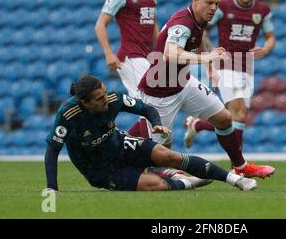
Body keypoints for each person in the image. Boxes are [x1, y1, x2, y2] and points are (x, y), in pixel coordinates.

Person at [137, 0, 275, 179]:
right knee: (160, 156)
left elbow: (198, 40)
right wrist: (206, 58)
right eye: (209, 3)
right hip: (160, 92)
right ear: (195, 0)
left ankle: (240, 166)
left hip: (183, 82)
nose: (213, 8)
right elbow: (170, 53)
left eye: (217, 4)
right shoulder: (182, 22)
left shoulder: (198, 20)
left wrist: (209, 68)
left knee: (225, 118)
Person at [44, 75, 257, 192]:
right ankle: (187, 182)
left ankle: (235, 180)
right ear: (84, 102)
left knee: (169, 156)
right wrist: (52, 188)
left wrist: (156, 124)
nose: (105, 100)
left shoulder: (112, 99)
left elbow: (145, 108)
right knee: (156, 185)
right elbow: (52, 151)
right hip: (101, 171)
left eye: (105, 93)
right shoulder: (68, 115)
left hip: (121, 146)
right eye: (99, 98)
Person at [183, 0, 276, 155]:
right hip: (225, 64)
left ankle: (198, 124)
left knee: (234, 117)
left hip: (246, 66)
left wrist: (266, 48)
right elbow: (201, 30)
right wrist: (211, 53)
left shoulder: (262, 10)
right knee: (240, 113)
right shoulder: (223, 7)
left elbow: (271, 37)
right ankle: (238, 165)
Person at [95, 0, 158, 139]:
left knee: (148, 108)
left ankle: (123, 150)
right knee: (150, 106)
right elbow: (100, 25)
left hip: (146, 57)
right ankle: (147, 155)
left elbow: (153, 24)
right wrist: (108, 53)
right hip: (130, 57)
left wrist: (161, 51)